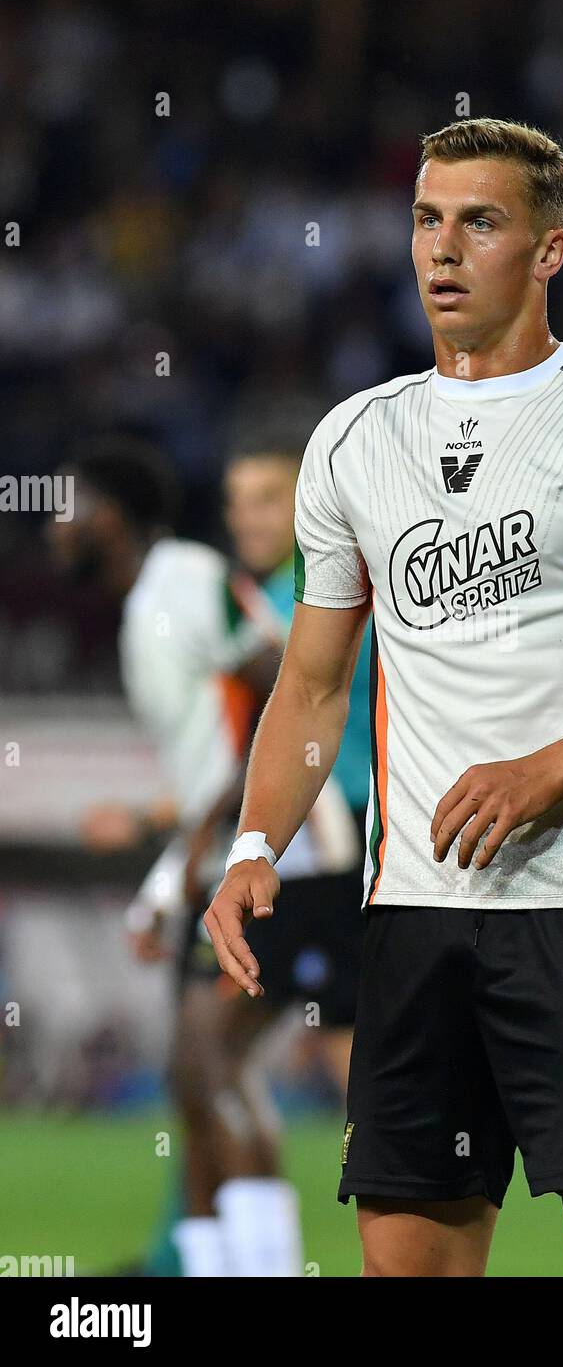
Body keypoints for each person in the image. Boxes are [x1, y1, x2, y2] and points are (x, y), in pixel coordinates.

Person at [205, 117, 563, 1278]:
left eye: (479, 221)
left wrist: (559, 763)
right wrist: (252, 842)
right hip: (411, 918)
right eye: (427, 219)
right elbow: (314, 682)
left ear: (548, 250)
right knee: (406, 1261)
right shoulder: (351, 440)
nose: (442, 247)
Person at [48, 436, 368, 1276]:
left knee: (211, 1059)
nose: (51, 527)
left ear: (109, 517)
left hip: (295, 855)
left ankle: (260, 1268)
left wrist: (194, 850)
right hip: (238, 863)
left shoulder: (184, 582)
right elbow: (214, 753)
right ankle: (214, 1264)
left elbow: (276, 685)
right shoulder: (150, 601)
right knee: (197, 1071)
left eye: (67, 507)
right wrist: (173, 866)